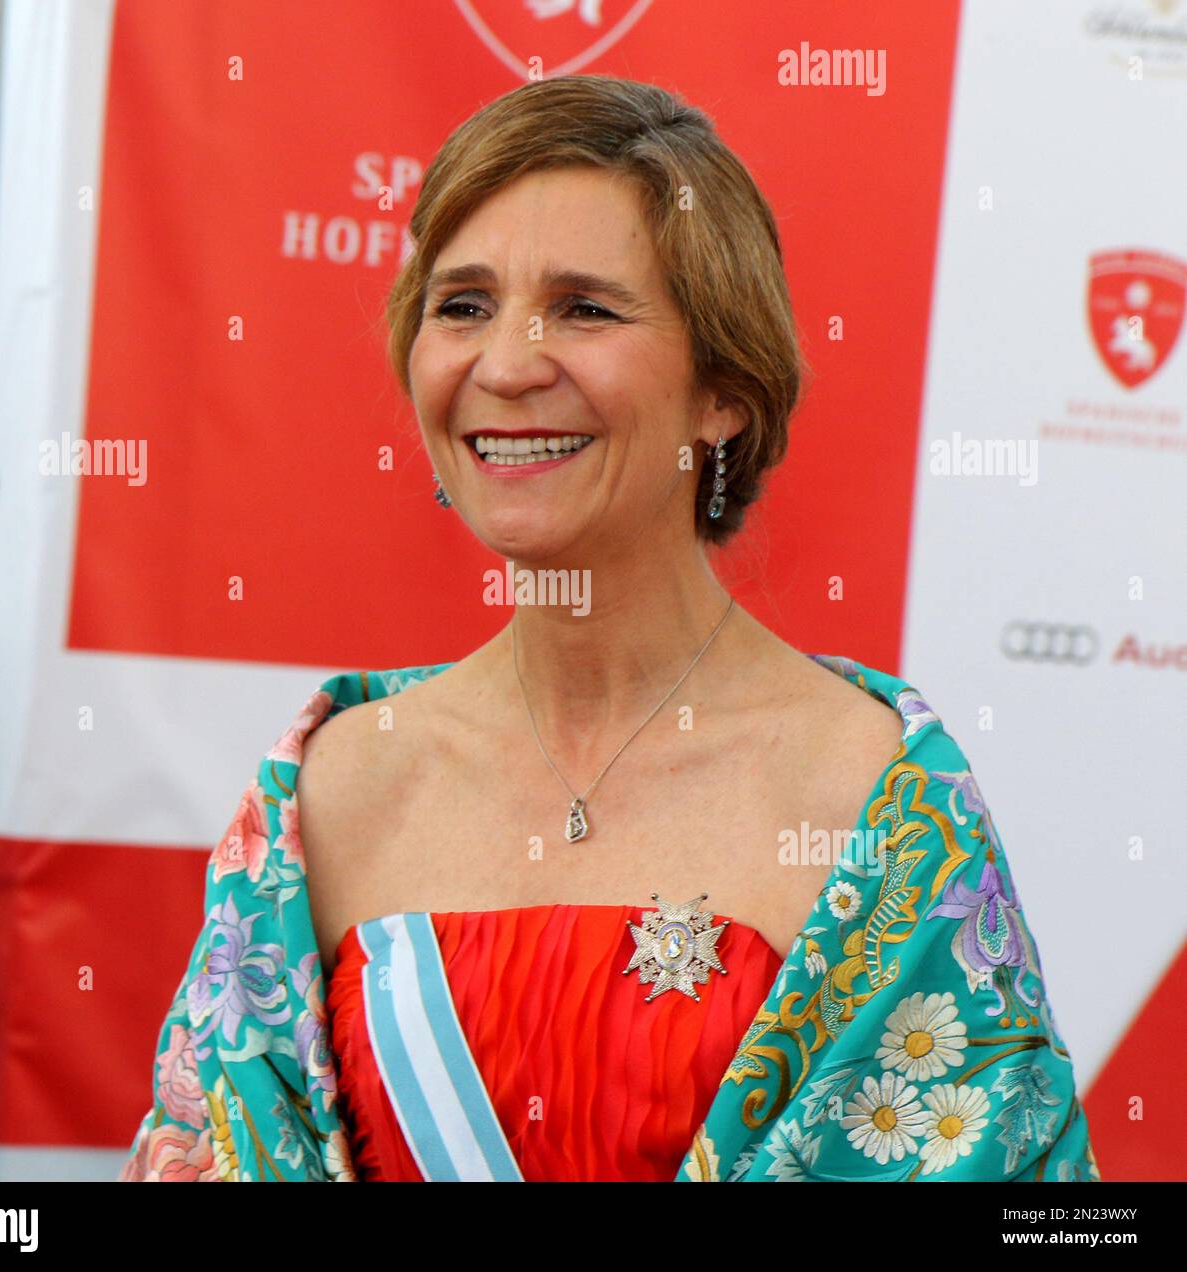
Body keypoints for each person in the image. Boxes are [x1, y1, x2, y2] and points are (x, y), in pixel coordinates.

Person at [119, 74, 1099, 1183]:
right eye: (462, 305)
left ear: (722, 390)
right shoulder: (328, 792)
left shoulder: (872, 792)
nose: (505, 365)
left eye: (585, 308)